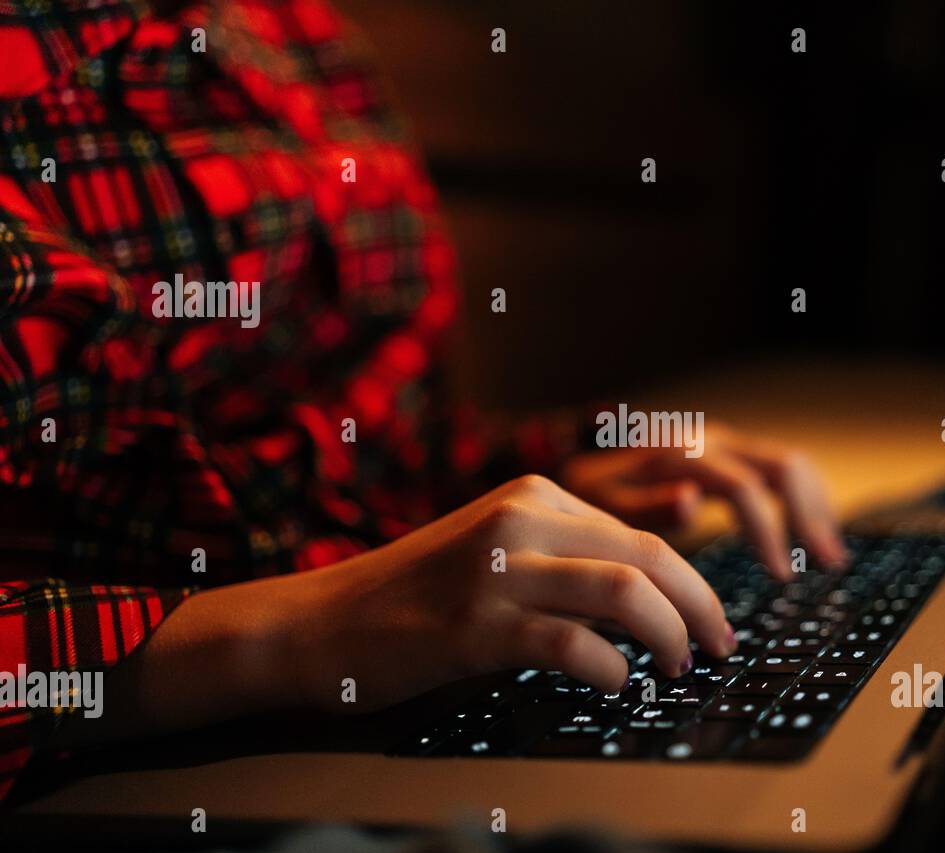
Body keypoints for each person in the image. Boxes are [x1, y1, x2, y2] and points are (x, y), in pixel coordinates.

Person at [0, 0, 844, 801]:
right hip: (158, 773)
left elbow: (381, 445)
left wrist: (555, 468)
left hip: (415, 690)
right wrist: (291, 631)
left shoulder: (295, 32)